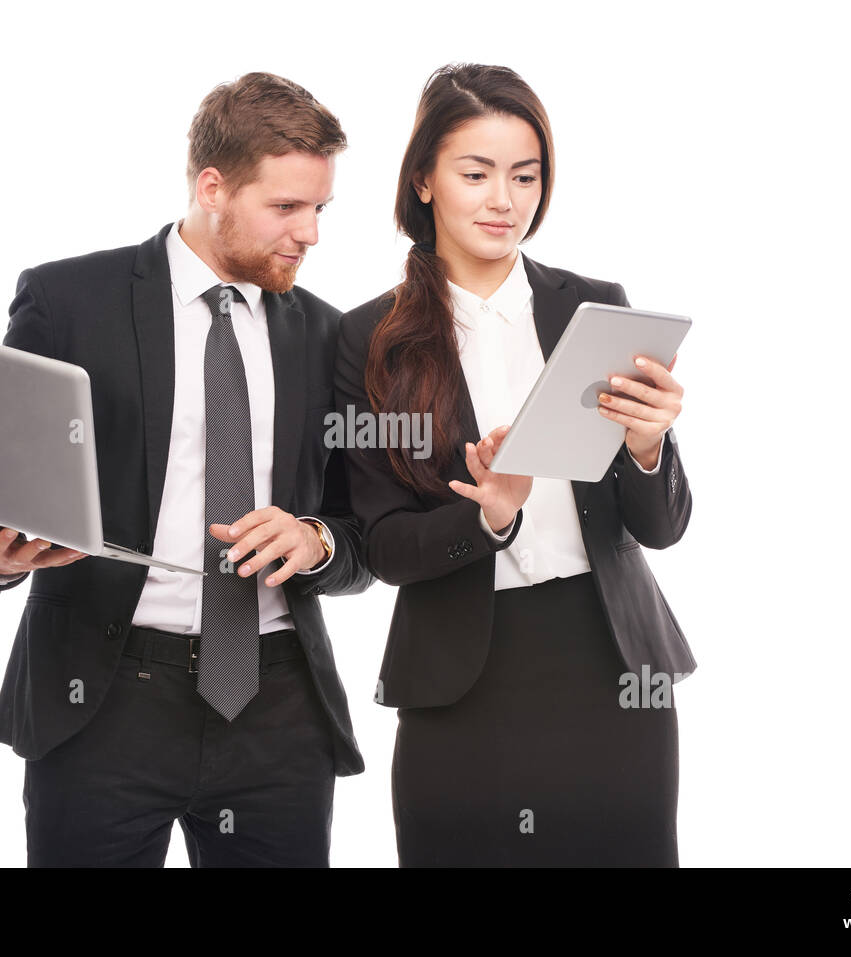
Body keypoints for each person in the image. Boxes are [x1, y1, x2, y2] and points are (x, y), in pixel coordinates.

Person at [0, 72, 373, 867]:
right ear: (212, 187)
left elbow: (359, 535)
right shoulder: (69, 300)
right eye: (286, 208)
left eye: (320, 208)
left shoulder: (328, 334)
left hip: (277, 706)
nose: (310, 233)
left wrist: (314, 538)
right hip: (104, 699)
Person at [334, 63, 697, 866]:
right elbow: (384, 544)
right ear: (424, 179)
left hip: (610, 664)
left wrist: (647, 447)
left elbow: (661, 528)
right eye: (478, 173)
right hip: (460, 676)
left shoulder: (593, 305)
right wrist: (487, 515)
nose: (506, 199)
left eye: (526, 176)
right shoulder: (369, 340)